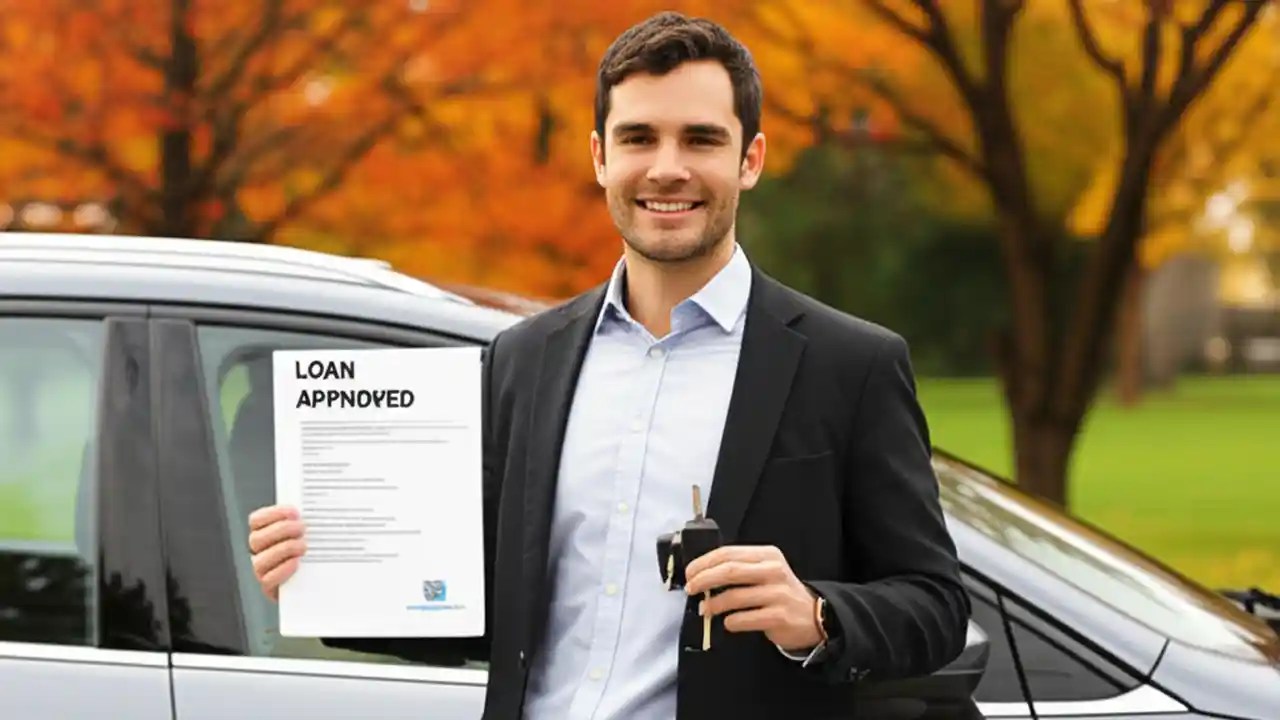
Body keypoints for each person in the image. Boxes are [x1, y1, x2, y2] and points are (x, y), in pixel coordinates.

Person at [247, 11, 970, 720]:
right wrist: (333, 581)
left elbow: (935, 605)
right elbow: (486, 613)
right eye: (638, 138)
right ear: (599, 157)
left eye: (700, 139)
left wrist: (817, 614)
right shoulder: (524, 359)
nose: (667, 168)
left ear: (749, 159)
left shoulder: (850, 365)